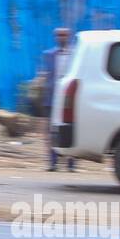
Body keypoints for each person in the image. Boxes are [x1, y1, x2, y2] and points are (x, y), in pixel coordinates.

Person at [41, 27, 76, 172]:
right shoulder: (49, 55)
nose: (61, 38)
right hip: (52, 99)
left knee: (71, 130)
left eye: (64, 35)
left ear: (69, 36)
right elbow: (45, 76)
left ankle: (71, 163)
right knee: (52, 131)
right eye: (59, 35)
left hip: (70, 99)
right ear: (55, 37)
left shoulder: (75, 55)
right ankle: (53, 162)